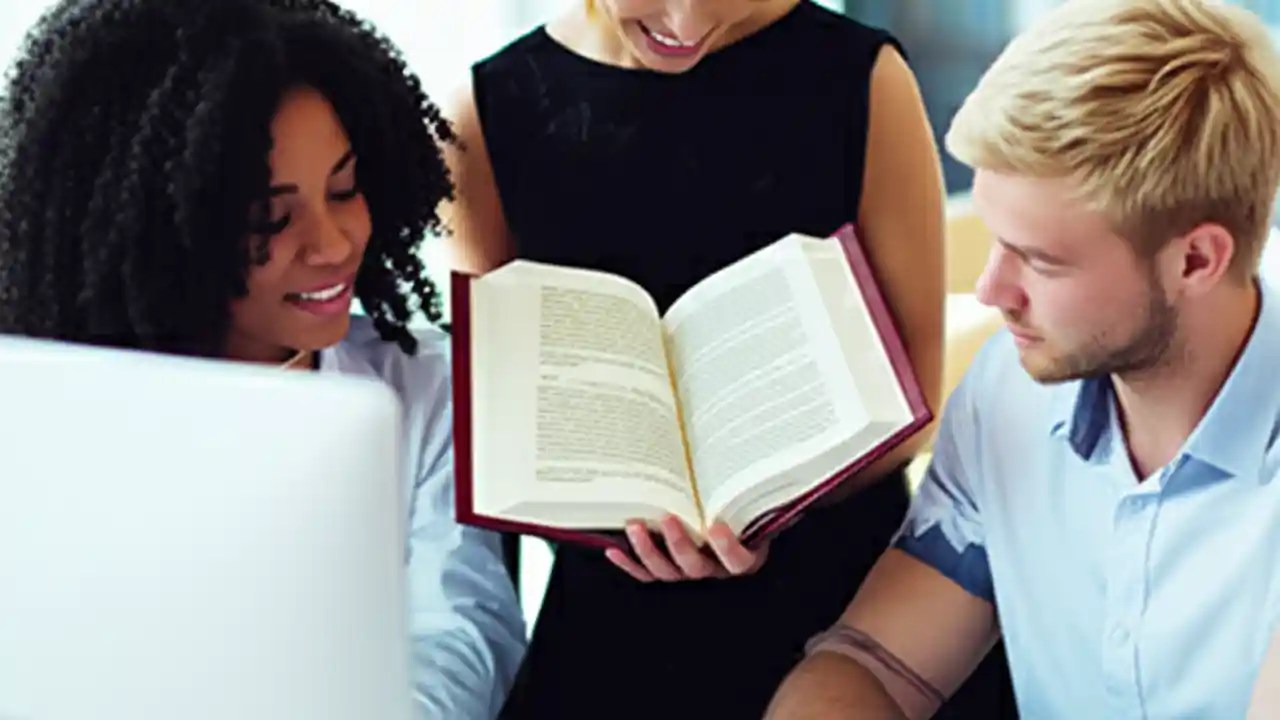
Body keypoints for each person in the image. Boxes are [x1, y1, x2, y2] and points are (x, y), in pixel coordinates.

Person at [443, 0, 1016, 717]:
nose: (685, 23)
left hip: (853, 614)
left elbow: (914, 400)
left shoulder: (862, 77)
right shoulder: (487, 111)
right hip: (611, 626)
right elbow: (499, 435)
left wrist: (758, 511)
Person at [0, 1, 525, 717]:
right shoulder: (49, 415)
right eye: (269, 219)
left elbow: (461, 635)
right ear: (163, 231)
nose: (333, 243)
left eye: (344, 188)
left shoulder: (427, 387)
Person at [764, 0, 1280, 717]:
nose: (990, 289)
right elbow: (873, 662)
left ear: (1195, 260)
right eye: (995, 238)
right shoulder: (1009, 390)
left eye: (1040, 260)